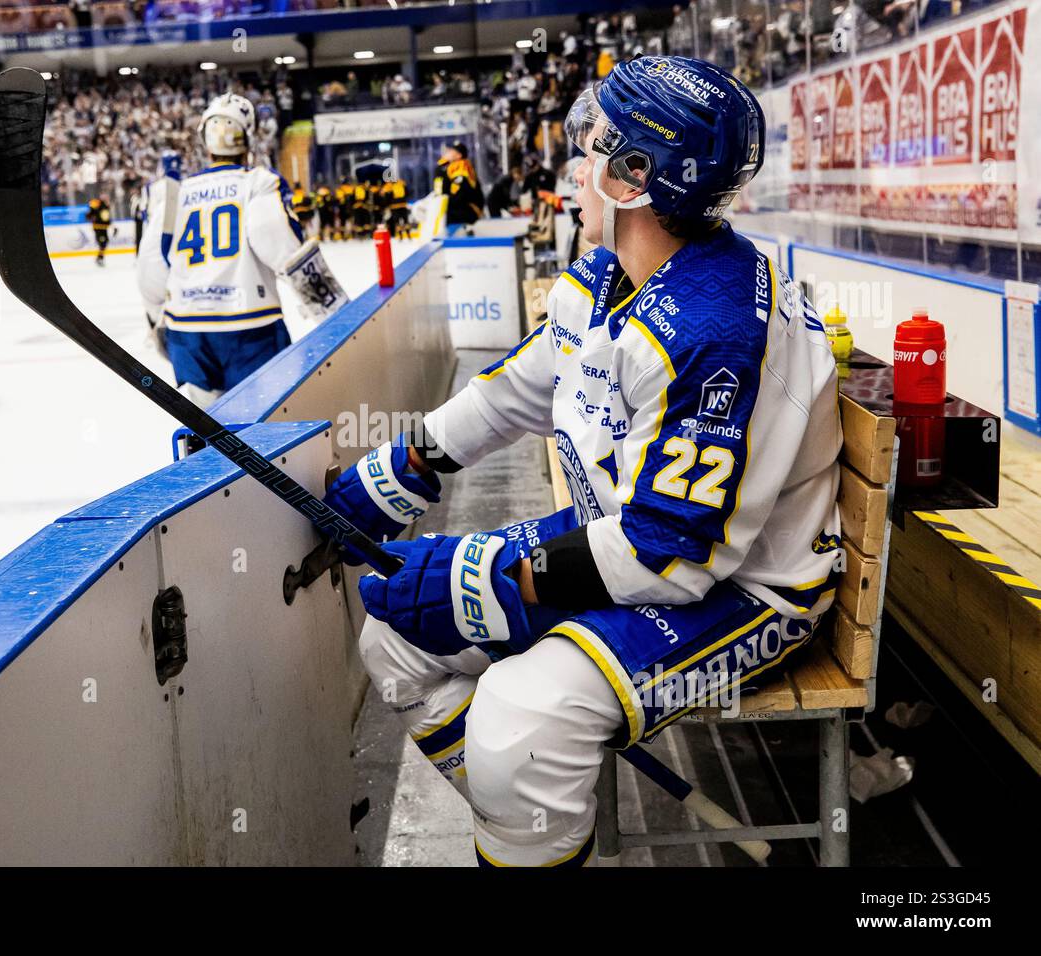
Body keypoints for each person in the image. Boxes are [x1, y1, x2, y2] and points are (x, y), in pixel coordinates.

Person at [323, 56, 842, 867]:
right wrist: (398, 472)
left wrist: (491, 574)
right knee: (395, 644)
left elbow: (669, 559)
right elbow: (512, 394)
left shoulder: (714, 331)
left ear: (637, 176)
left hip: (748, 589)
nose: (576, 166)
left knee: (519, 721)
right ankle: (529, 828)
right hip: (636, 545)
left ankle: (525, 811)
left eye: (595, 145)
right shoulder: (608, 277)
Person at [135, 94, 349, 408]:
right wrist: (333, 311)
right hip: (250, 329)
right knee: (262, 427)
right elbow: (282, 247)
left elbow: (150, 269)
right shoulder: (258, 183)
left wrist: (159, 321)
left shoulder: (172, 193)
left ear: (205, 141)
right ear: (247, 139)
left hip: (188, 333)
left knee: (208, 430)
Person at [432, 141, 484, 227]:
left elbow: (458, 196)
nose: (447, 152)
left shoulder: (462, 167)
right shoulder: (451, 166)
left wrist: (443, 204)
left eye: (452, 151)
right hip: (464, 207)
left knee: (444, 217)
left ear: (458, 155)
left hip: (471, 210)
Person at [85, 197, 111, 266]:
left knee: (105, 242)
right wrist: (91, 217)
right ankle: (99, 258)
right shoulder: (96, 204)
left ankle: (100, 258)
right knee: (102, 243)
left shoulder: (106, 206)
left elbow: (107, 218)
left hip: (104, 228)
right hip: (98, 228)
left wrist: (111, 226)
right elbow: (88, 215)